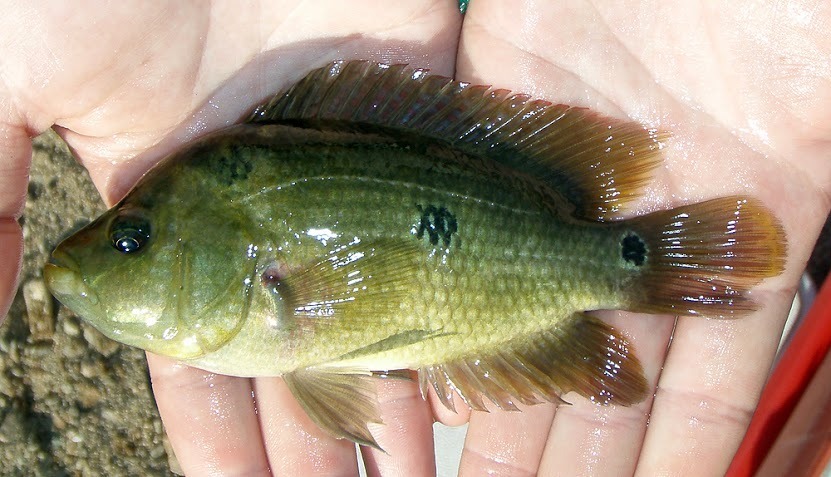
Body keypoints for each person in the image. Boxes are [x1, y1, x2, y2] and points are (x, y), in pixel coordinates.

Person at [1, 1, 828, 475]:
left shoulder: (240, 225)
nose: (102, 251)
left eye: (133, 237)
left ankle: (635, 263)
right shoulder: (225, 201)